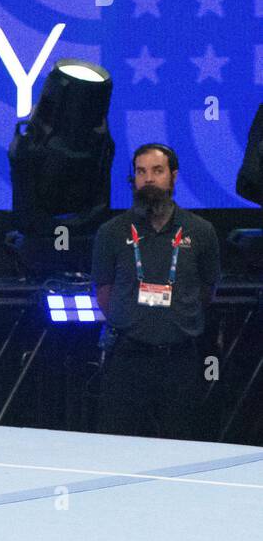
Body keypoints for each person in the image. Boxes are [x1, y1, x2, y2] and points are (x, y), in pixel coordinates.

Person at [93, 144, 221, 439]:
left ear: (173, 176)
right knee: (116, 446)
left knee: (182, 447)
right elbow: (103, 291)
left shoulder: (201, 231)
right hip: (127, 357)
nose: (148, 179)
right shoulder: (112, 232)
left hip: (180, 360)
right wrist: (132, 322)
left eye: (157, 171)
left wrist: (179, 319)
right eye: (141, 172)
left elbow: (207, 290)